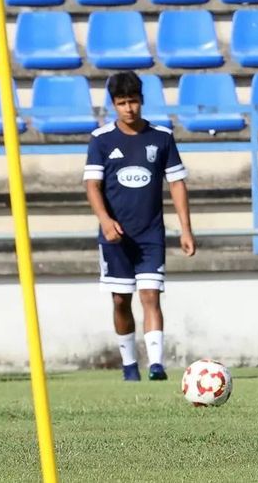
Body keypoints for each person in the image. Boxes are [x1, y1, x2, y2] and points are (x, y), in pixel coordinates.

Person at [84, 72, 197, 382]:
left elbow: (177, 183)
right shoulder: (101, 140)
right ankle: (129, 363)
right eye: (122, 103)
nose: (129, 109)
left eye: (133, 101)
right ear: (113, 105)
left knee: (150, 295)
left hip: (150, 234)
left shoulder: (161, 137)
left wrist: (185, 229)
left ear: (142, 101)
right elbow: (92, 186)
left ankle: (156, 365)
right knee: (121, 299)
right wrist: (105, 221)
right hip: (115, 236)